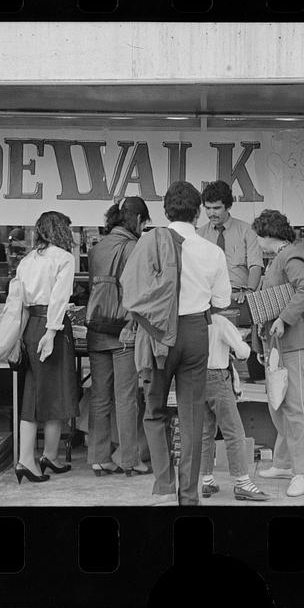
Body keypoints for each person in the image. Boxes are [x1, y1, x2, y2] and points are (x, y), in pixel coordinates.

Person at [121, 181, 232, 506]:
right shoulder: (213, 251)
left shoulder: (148, 242)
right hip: (196, 332)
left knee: (154, 411)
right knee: (192, 414)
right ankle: (188, 494)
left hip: (158, 336)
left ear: (165, 211)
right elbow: (222, 300)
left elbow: (130, 290)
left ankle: (165, 485)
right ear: (198, 213)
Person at [252, 209, 304, 498]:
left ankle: (302, 471)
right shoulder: (282, 257)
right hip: (280, 343)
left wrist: (283, 318)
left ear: (269, 235)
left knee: (293, 406)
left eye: (259, 235)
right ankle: (283, 462)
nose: (257, 241)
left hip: (290, 341)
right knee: (281, 404)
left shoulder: (289, 256)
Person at [86, 197, 152, 477]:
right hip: (124, 330)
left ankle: (99, 458)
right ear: (136, 220)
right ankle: (130, 459)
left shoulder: (97, 247)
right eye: (144, 222)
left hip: (97, 329)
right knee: (126, 397)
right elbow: (138, 292)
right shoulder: (134, 247)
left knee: (100, 397)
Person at [13, 211, 79, 484]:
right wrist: (52, 332)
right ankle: (31, 459)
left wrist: (22, 336)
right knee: (55, 392)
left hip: (30, 326)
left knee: (36, 390)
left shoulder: (27, 260)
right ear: (62, 231)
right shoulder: (64, 258)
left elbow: (19, 300)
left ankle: (44, 456)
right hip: (52, 327)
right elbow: (60, 297)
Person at [200, 311, 270, 501]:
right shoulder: (220, 321)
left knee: (206, 432)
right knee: (234, 432)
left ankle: (207, 481)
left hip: (195, 380)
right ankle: (243, 483)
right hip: (217, 377)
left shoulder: (188, 319)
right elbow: (243, 351)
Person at [199, 180, 266, 379]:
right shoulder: (199, 234)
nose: (212, 213)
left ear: (228, 206)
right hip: (210, 302)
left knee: (246, 353)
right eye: (208, 208)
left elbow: (256, 266)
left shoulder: (247, 230)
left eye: (217, 208)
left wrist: (249, 292)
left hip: (240, 299)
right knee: (214, 354)